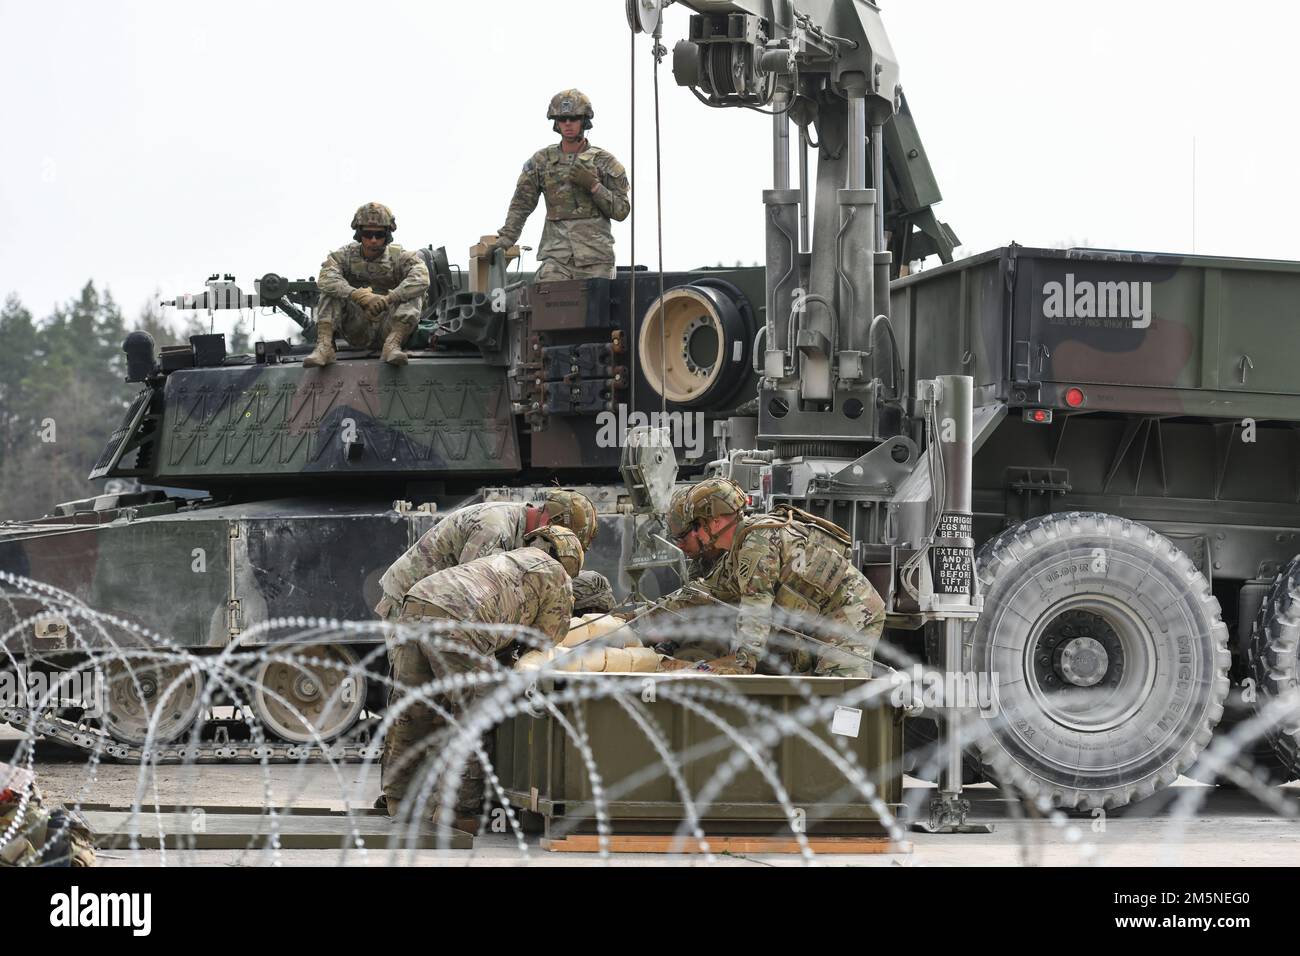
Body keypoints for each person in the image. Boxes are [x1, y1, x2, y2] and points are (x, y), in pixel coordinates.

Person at [380, 526, 583, 825]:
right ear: (570, 561)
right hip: (457, 622)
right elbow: (545, 640)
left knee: (415, 710)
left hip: (418, 601)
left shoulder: (510, 558)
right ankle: (458, 811)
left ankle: (399, 799)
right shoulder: (555, 574)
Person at [659, 478, 886, 677]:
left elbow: (755, 610)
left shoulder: (757, 544)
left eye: (696, 526)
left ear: (716, 521)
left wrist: (742, 662)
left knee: (838, 700)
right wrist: (634, 618)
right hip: (816, 622)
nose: (694, 534)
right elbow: (701, 593)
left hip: (852, 614)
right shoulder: (738, 552)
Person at [375, 490, 598, 620]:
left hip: (438, 603)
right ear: (550, 522)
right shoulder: (494, 528)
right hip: (408, 601)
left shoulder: (522, 528)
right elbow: (473, 595)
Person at [492, 89, 629, 282]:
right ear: (556, 122)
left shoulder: (604, 162)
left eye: (573, 118)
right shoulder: (541, 161)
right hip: (556, 258)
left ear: (584, 121)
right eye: (562, 119)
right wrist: (506, 239)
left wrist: (594, 187)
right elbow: (521, 204)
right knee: (548, 302)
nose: (568, 124)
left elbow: (622, 211)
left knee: (596, 309)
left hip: (596, 259)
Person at [308, 202, 430, 368]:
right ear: (359, 234)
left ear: (387, 235)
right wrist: (357, 295)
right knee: (330, 290)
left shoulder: (400, 257)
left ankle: (393, 344)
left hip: (390, 326)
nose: (373, 240)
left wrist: (388, 299)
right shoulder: (344, 256)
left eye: (379, 234)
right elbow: (326, 278)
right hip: (357, 326)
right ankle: (324, 346)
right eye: (367, 233)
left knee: (416, 292)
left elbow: (421, 277)